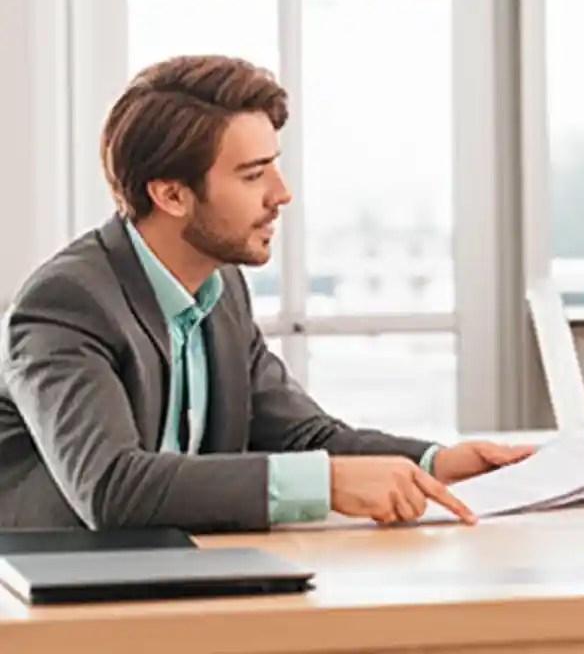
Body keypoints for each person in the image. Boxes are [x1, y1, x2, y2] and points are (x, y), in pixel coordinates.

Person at [0, 55, 532, 532]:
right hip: (45, 605)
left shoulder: (219, 287)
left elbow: (302, 435)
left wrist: (437, 463)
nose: (282, 193)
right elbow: (112, 486)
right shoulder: (65, 303)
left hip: (170, 573)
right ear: (170, 194)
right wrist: (327, 486)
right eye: (254, 175)